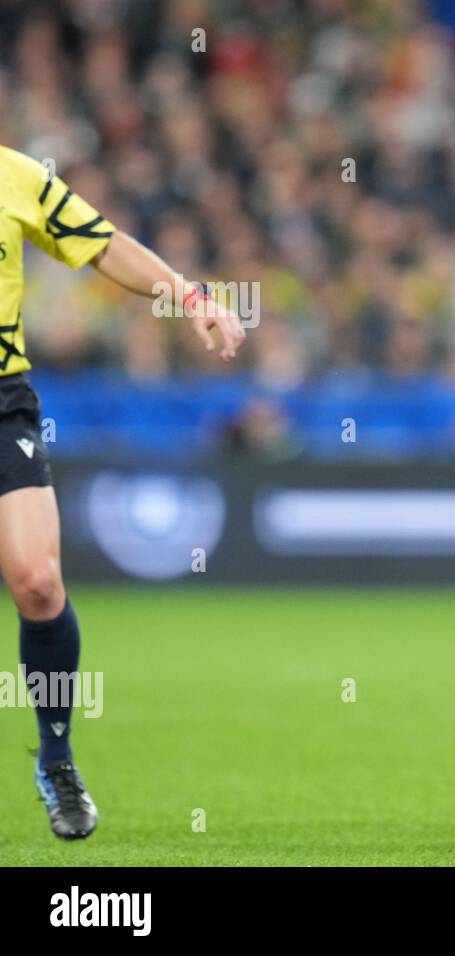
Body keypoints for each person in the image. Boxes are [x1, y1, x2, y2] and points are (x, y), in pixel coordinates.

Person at [0, 145, 245, 839]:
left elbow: (102, 245)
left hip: (1, 401)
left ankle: (55, 759)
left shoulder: (13, 174)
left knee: (40, 585)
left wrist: (190, 296)